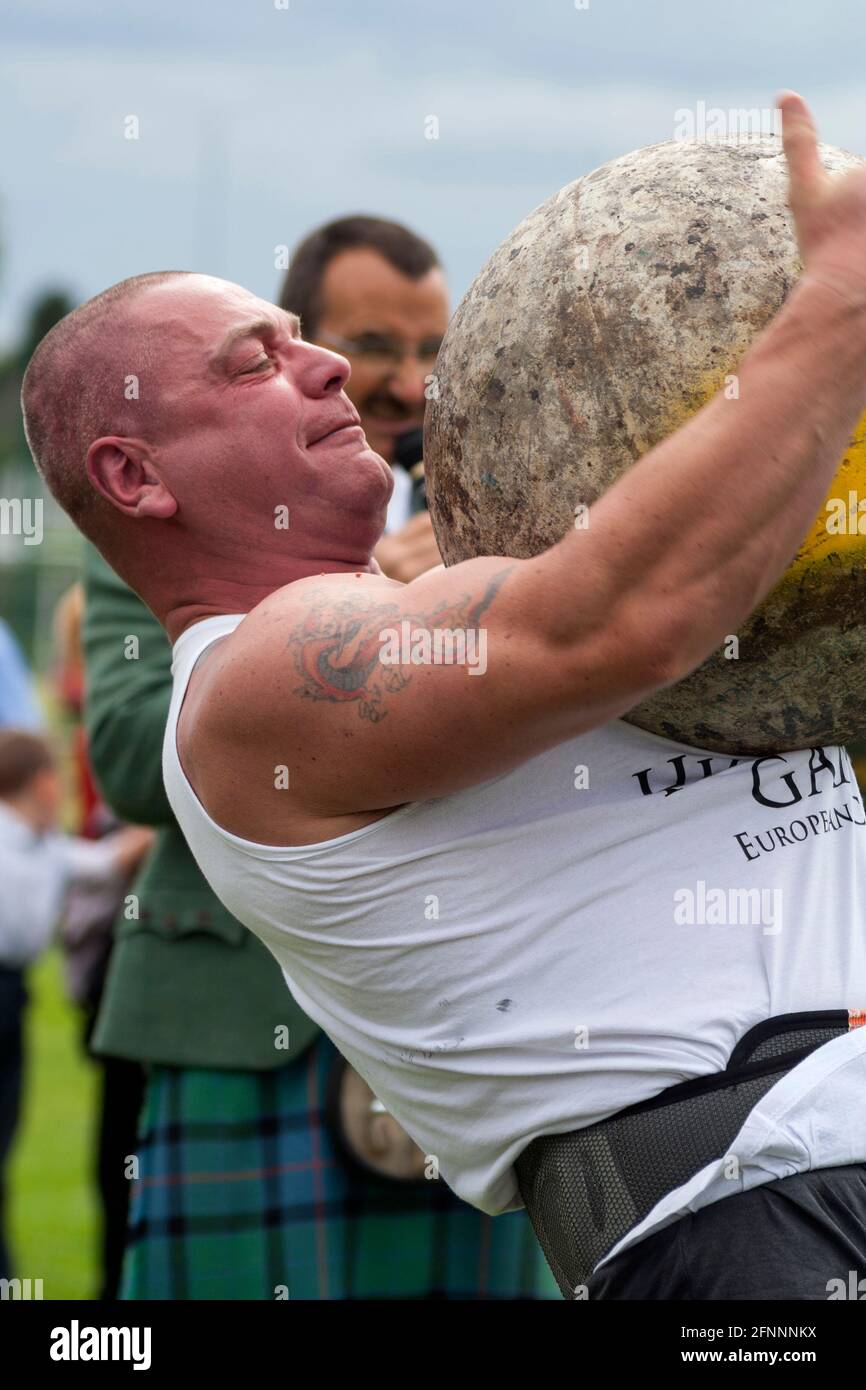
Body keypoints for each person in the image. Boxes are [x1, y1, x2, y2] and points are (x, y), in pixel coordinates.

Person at [21, 93, 866, 1299]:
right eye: (256, 359)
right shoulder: (251, 689)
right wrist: (832, 297)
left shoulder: (492, 567)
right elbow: (627, 616)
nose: (330, 366)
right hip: (750, 1218)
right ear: (133, 472)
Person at [78, 216, 554, 1300]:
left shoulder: (487, 510)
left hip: (453, 1020)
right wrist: (373, 606)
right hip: (242, 1029)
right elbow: (124, 751)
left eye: (433, 348)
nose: (402, 379)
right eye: (375, 342)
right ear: (308, 345)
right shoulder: (170, 514)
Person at [0, 729, 151, 1282]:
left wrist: (161, 823)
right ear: (42, 783)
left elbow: (106, 862)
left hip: (13, 998)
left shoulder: (41, 845)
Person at [279, 215, 444, 582]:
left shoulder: (465, 508)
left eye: (432, 350)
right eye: (376, 348)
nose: (411, 388)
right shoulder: (200, 520)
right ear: (295, 344)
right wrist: (367, 597)